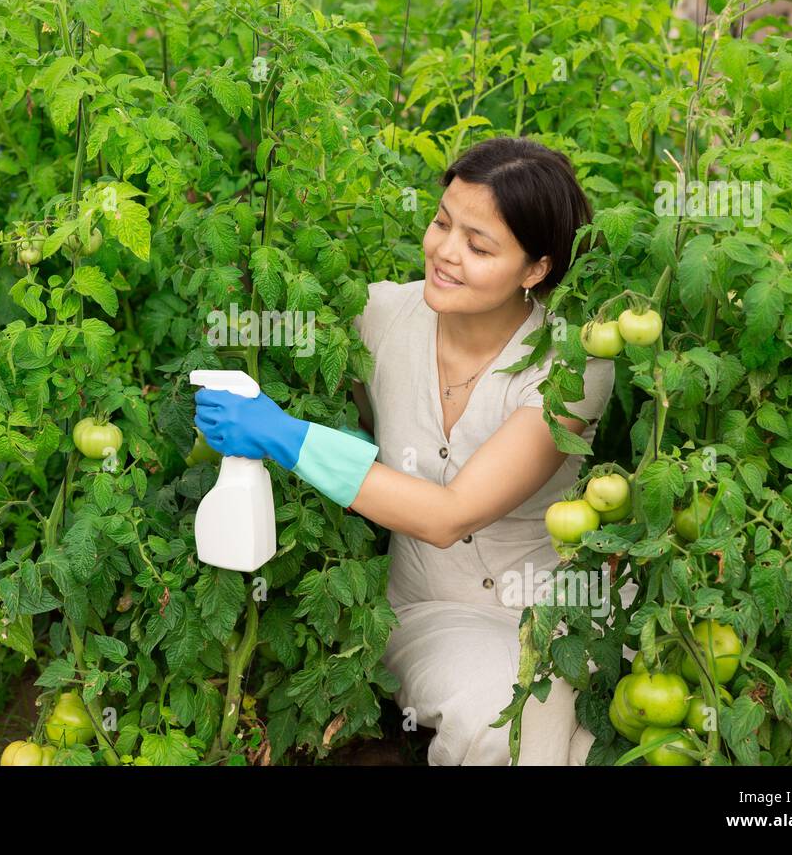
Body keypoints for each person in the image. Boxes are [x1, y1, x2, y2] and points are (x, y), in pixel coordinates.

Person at [194, 137, 615, 765]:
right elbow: (349, 402)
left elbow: (451, 514)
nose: (445, 252)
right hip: (433, 605)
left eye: (478, 245)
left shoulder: (571, 366)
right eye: (443, 222)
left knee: (586, 744)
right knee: (502, 724)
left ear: (535, 269)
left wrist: (286, 436)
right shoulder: (381, 316)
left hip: (564, 607)